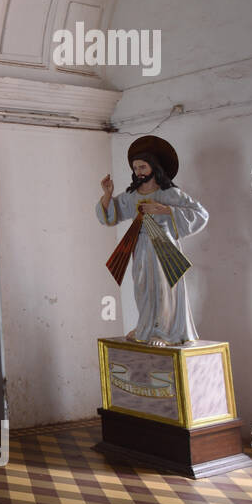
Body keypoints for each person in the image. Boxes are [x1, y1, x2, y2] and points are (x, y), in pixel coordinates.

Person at [96, 136, 207, 346]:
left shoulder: (169, 193)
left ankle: (164, 332)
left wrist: (166, 210)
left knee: (163, 287)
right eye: (135, 167)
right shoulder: (132, 195)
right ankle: (145, 326)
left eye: (143, 166)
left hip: (163, 246)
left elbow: (201, 214)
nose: (138, 171)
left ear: (154, 168)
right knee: (142, 287)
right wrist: (107, 194)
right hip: (140, 247)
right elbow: (109, 216)